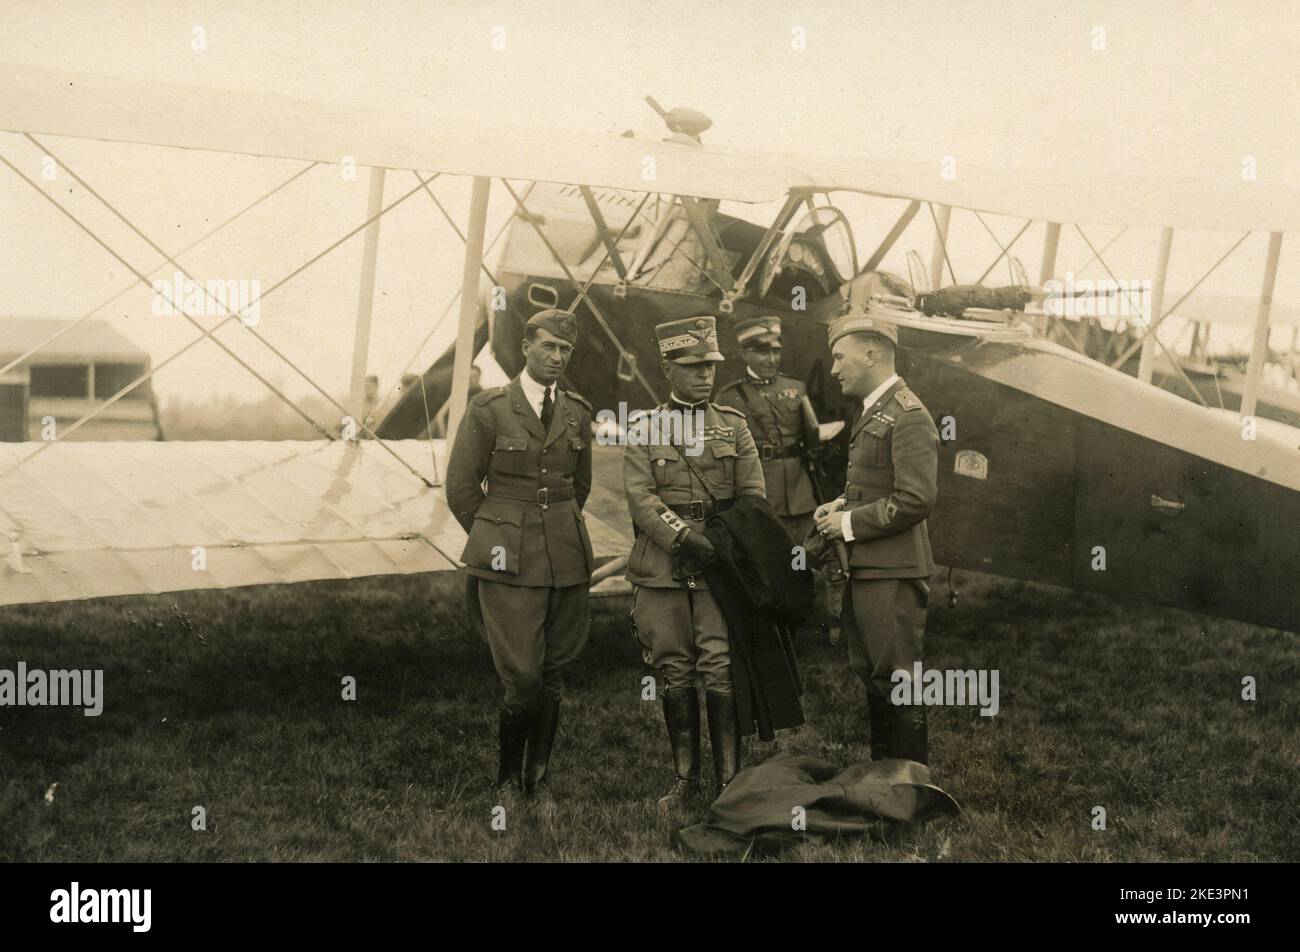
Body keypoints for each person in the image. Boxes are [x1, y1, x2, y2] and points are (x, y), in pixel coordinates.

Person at [445, 308, 595, 802]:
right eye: (548, 347)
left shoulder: (577, 410)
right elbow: (462, 488)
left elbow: (581, 484)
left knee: (553, 672)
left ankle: (538, 779)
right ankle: (508, 780)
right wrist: (495, 536)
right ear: (527, 347)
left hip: (565, 555)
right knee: (523, 675)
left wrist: (555, 530)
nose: (557, 357)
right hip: (508, 557)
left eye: (565, 350)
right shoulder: (488, 409)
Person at [623, 315, 765, 808]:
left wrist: (719, 546)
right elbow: (641, 498)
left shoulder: (734, 425)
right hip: (662, 566)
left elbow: (752, 499)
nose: (706, 374)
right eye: (694, 365)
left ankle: (729, 785)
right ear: (669, 368)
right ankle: (685, 782)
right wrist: (684, 538)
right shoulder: (642, 429)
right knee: (674, 668)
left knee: (720, 666)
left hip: (718, 566)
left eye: (711, 365)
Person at [813, 310, 938, 764]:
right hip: (871, 567)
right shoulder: (876, 411)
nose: (833, 369)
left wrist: (847, 525)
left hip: (893, 569)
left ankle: (909, 790)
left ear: (871, 353)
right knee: (873, 673)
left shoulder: (908, 415)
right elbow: (876, 487)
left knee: (898, 677)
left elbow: (915, 500)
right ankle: (885, 778)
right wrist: (841, 505)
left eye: (840, 357)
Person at [716, 315, 821, 541]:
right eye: (763, 352)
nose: (771, 359)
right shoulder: (728, 396)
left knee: (804, 556)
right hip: (758, 493)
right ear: (745, 354)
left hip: (799, 494)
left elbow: (813, 437)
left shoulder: (795, 387)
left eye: (776, 351)